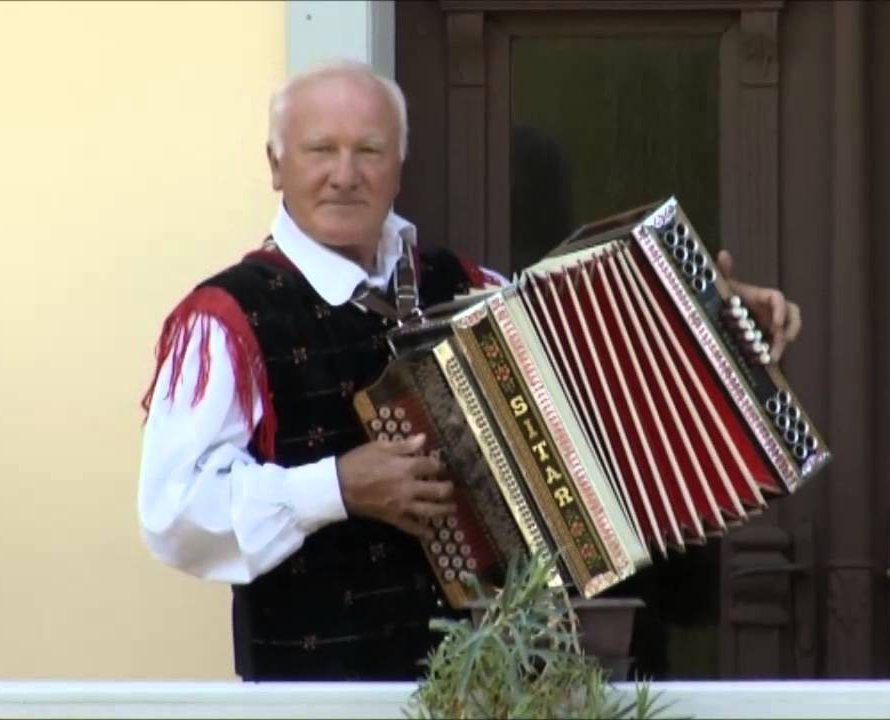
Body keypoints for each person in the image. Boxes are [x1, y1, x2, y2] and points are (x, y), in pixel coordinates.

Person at [137, 58, 803, 682]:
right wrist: (334, 487)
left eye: (369, 150)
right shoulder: (226, 319)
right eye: (320, 150)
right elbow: (174, 514)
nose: (345, 174)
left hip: (502, 692)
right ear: (275, 165)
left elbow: (601, 372)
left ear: (399, 166)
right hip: (325, 697)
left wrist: (715, 319)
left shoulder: (468, 286)